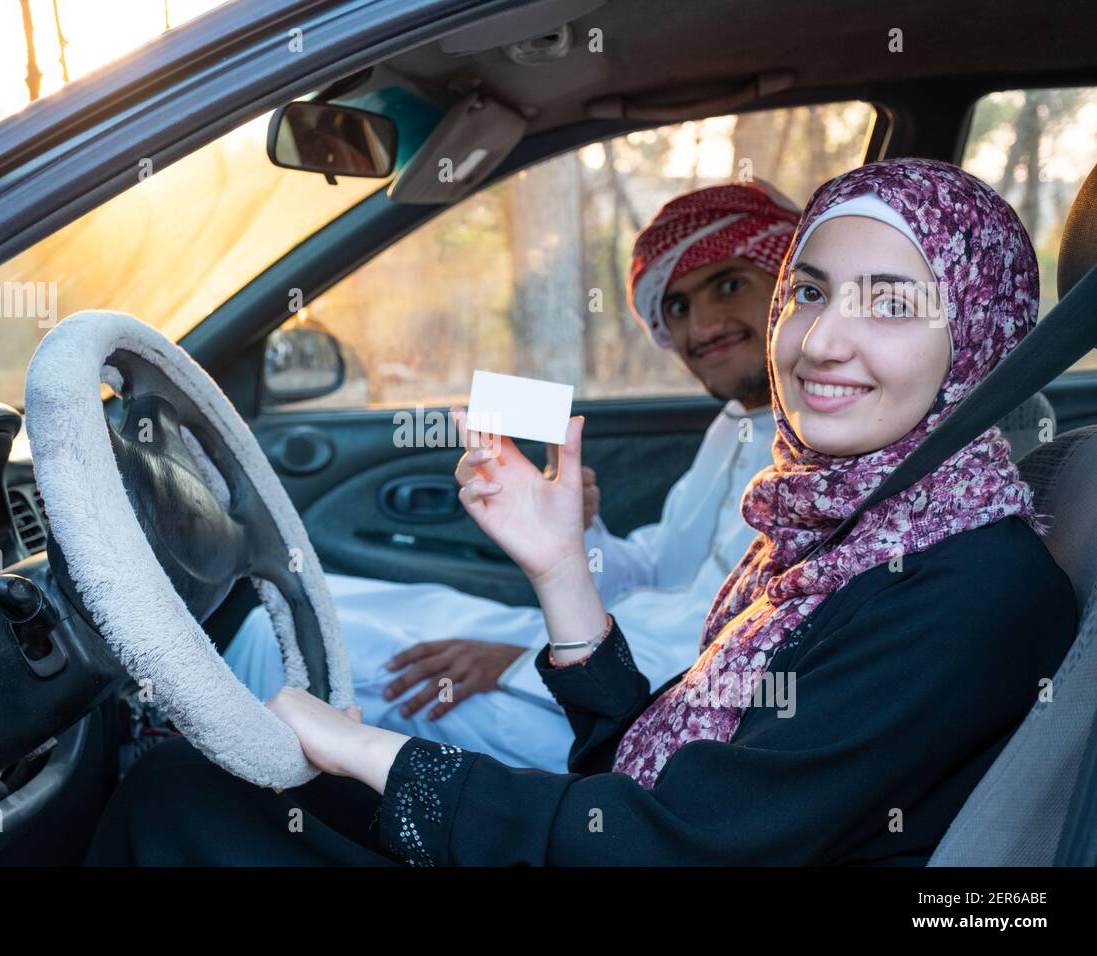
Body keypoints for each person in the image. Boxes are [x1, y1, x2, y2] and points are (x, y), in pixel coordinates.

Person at [88, 157, 1077, 866]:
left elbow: (668, 842)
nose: (818, 340)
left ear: (982, 333)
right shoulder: (839, 516)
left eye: (890, 304)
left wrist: (363, 746)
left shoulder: (965, 583)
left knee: (180, 803)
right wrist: (562, 568)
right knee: (195, 790)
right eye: (809, 291)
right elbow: (659, 773)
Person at [223, 182, 799, 771]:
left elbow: (729, 643)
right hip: (620, 647)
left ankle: (214, 792)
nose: (701, 328)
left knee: (289, 653)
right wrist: (580, 530)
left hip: (655, 712)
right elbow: (657, 574)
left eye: (729, 285)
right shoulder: (739, 421)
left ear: (788, 282)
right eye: (677, 307)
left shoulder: (819, 452)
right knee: (308, 607)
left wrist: (523, 661)